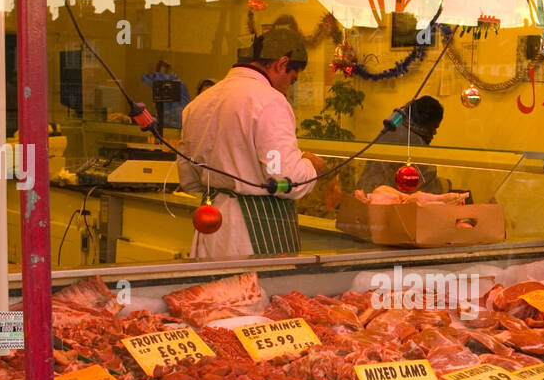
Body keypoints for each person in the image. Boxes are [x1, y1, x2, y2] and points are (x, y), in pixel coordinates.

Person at [177, 28, 325, 258]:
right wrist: (311, 166)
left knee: (213, 292)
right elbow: (283, 177)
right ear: (281, 63)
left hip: (211, 226)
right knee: (255, 294)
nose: (289, 89)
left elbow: (189, 180)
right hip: (253, 232)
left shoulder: (197, 104)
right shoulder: (269, 101)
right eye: (292, 79)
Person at [357, 96, 445, 194]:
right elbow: (425, 188)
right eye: (434, 127)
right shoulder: (417, 144)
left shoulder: (391, 130)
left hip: (365, 195)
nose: (435, 132)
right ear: (427, 123)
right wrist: (444, 185)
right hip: (386, 204)